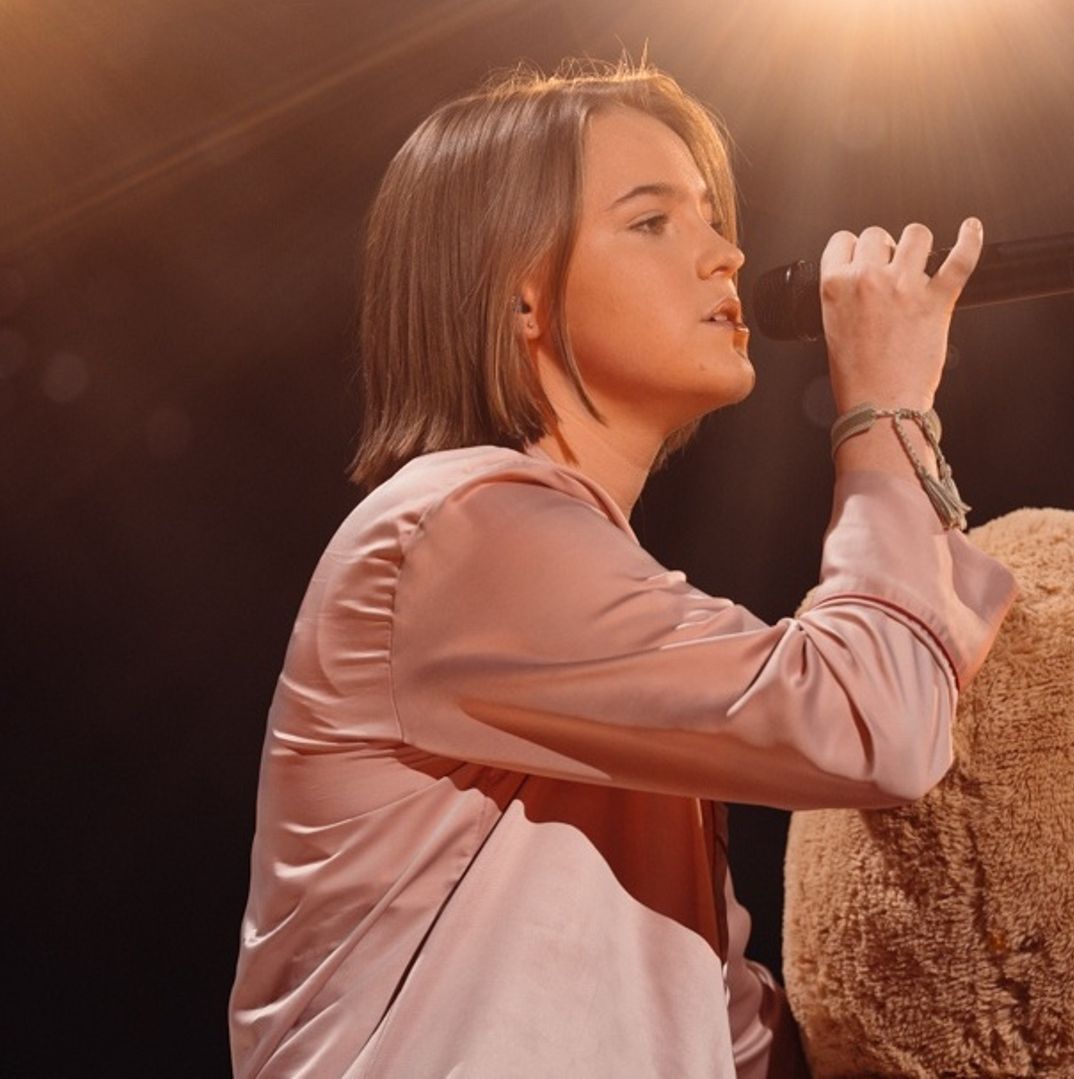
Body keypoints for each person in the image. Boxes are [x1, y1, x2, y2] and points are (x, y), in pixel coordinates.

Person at [228, 59, 1015, 1078]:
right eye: (654, 222)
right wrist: (886, 408)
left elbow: (711, 1020)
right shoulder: (464, 529)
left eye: (712, 218)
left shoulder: (567, 585)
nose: (727, 255)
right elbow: (874, 725)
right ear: (520, 297)